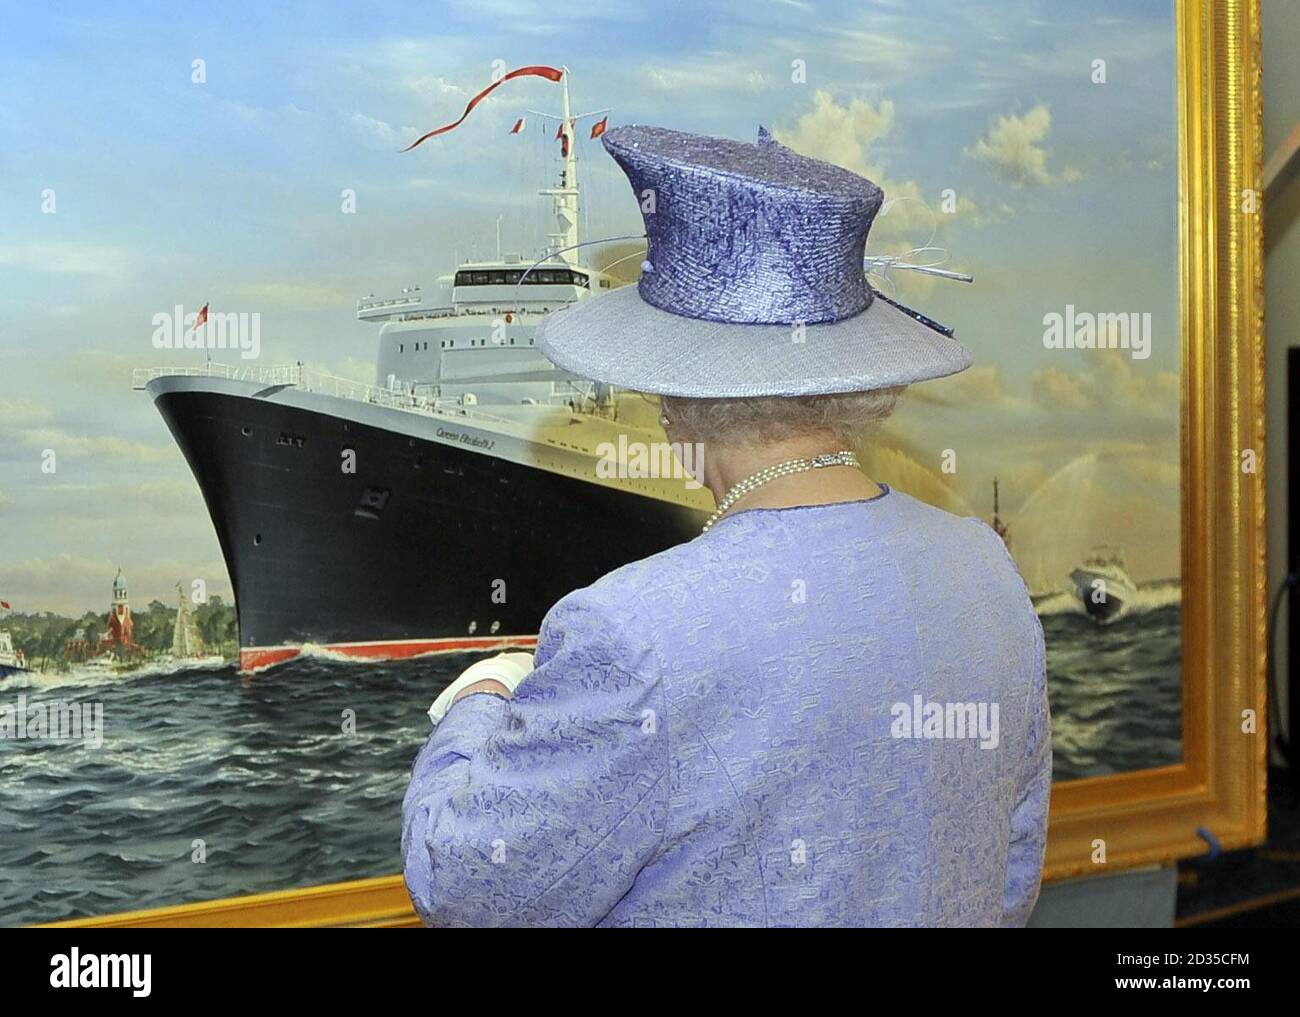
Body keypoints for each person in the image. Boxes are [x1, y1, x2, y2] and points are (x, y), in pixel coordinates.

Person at [402, 124, 1050, 927]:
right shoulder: (985, 573)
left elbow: (466, 887)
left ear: (673, 396)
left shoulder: (633, 630)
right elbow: (1009, 875)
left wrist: (483, 695)